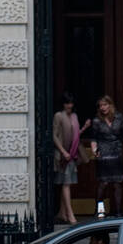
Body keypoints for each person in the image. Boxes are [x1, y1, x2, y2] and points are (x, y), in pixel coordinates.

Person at [87, 93, 123, 216]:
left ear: (110, 105)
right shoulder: (96, 121)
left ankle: (118, 212)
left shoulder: (119, 118)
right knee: (103, 184)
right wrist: (94, 151)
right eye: (100, 105)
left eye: (105, 105)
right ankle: (99, 211)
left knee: (117, 183)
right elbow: (94, 139)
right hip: (103, 154)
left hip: (116, 153)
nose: (103, 107)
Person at [53, 91, 91, 225]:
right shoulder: (58, 116)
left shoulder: (74, 116)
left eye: (71, 103)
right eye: (67, 103)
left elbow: (75, 135)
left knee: (66, 183)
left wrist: (84, 128)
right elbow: (55, 135)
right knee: (66, 184)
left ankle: (62, 213)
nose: (69, 105)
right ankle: (70, 215)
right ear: (63, 104)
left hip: (72, 155)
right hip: (63, 156)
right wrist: (63, 152)